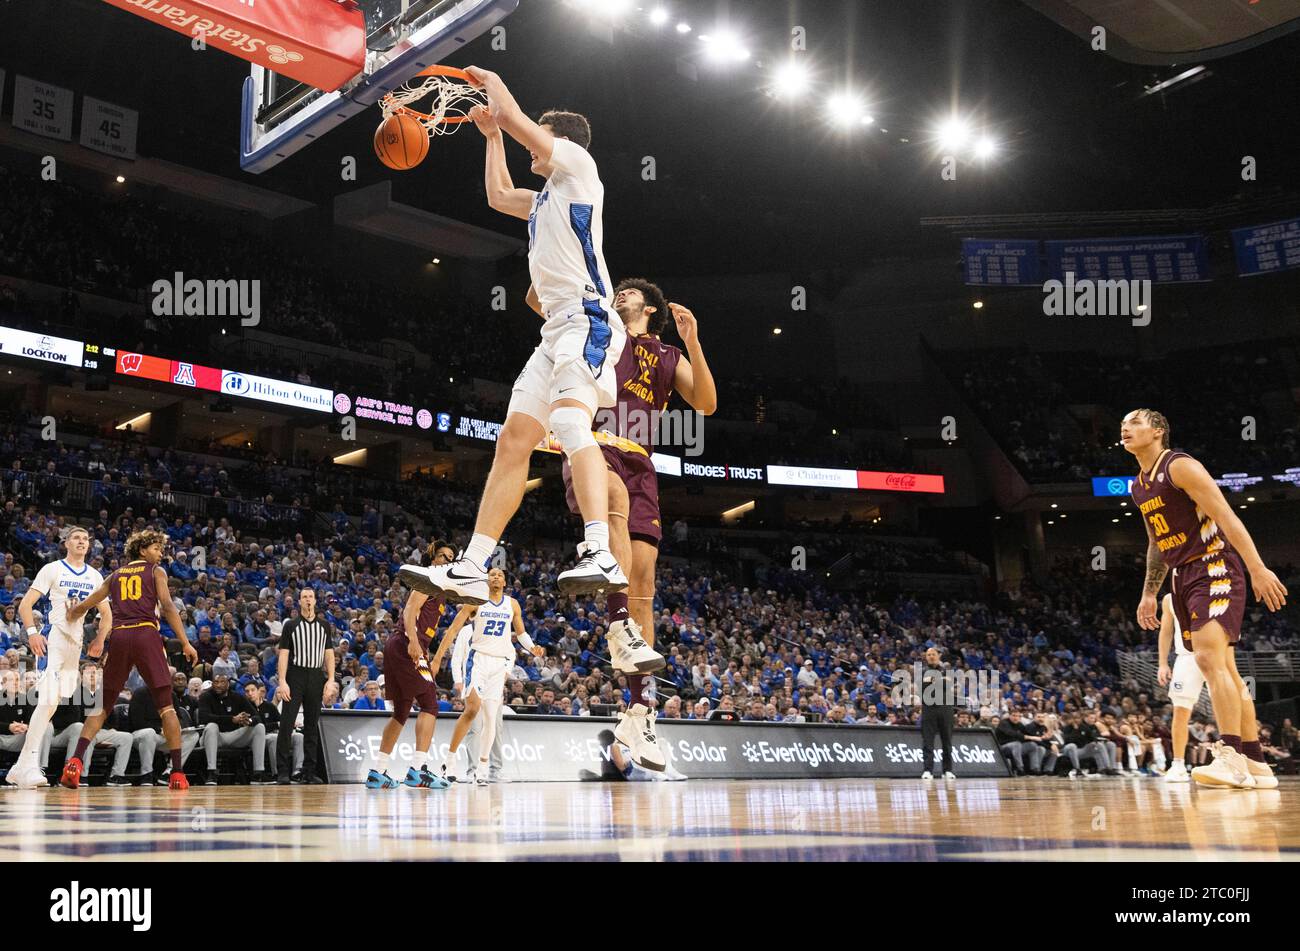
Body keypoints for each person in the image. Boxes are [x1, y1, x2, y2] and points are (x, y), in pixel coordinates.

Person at [399, 68, 629, 606]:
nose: (533, 150)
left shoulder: (578, 166)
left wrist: (491, 80)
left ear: (561, 140)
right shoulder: (546, 195)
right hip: (555, 331)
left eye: (538, 139)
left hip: (588, 319)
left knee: (572, 423)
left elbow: (514, 115)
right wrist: (493, 138)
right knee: (513, 441)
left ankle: (599, 549)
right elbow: (499, 196)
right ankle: (473, 567)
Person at [546, 279, 716, 772]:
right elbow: (540, 303)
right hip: (592, 441)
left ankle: (639, 715)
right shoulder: (598, 328)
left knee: (645, 581)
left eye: (629, 292)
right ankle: (617, 624)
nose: (620, 294)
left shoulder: (665, 354)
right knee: (612, 499)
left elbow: (705, 404)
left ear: (651, 307)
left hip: (640, 458)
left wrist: (694, 342)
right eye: (616, 290)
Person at [1123, 409, 1285, 789]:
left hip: (1214, 565)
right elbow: (1156, 542)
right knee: (1224, 669)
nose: (1125, 430)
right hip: (1182, 577)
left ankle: (1230, 757)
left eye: (1134, 423)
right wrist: (1149, 592)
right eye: (1122, 426)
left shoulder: (1179, 466)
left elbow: (1227, 517)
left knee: (1209, 659)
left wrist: (1257, 568)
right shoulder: (1138, 485)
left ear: (1158, 430)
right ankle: (1255, 761)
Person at [61, 529, 198, 790]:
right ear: (142, 550)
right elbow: (168, 606)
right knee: (167, 707)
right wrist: (185, 642)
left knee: (103, 705)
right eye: (156, 548)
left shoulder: (115, 575)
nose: (160, 553)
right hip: (146, 633)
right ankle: (178, 773)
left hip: (120, 636)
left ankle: (76, 761)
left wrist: (75, 611)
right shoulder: (156, 571)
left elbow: (91, 601)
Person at [6, 527, 107, 789]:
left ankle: (21, 767)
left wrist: (99, 639)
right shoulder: (52, 569)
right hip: (54, 639)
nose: (82, 542)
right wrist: (31, 633)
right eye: (76, 538)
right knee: (49, 699)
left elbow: (107, 613)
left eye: (86, 539)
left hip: (76, 644)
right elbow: (25, 605)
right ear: (66, 543)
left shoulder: (95, 576)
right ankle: (28, 764)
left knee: (52, 704)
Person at [436, 568, 542, 786]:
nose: (496, 577)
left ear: (504, 581)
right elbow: (454, 629)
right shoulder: (476, 600)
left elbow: (520, 634)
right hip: (478, 660)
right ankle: (450, 759)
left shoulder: (512, 604)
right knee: (472, 709)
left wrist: (533, 648)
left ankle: (482, 769)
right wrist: (437, 658)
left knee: (492, 718)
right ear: (487, 580)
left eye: (500, 575)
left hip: (498, 662)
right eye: (492, 574)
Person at [365, 542, 455, 791]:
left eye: (450, 557)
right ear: (432, 558)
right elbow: (409, 611)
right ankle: (418, 770)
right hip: (407, 643)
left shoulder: (442, 588)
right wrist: (414, 642)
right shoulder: (427, 580)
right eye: (442, 556)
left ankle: (378, 771)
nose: (446, 560)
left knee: (401, 711)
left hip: (400, 645)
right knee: (430, 703)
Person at [274, 587, 334, 785]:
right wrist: (282, 681)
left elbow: (329, 653)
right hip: (295, 674)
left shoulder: (324, 626)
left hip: (316, 675)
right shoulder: (291, 625)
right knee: (287, 722)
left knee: (311, 724)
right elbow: (283, 654)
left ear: (315, 600)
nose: (308, 600)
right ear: (299, 602)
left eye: (311, 596)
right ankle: (282, 771)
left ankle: (309, 771)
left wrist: (331, 679)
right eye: (304, 597)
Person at [196, 674, 270, 785]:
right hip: (214, 737)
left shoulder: (238, 697)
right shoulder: (205, 697)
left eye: (222, 682)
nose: (218, 685)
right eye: (216, 682)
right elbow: (203, 717)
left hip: (234, 736)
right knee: (212, 726)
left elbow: (257, 717)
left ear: (228, 684)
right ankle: (212, 773)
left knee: (259, 727)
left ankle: (258, 773)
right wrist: (232, 719)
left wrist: (248, 721)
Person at [128, 678, 200, 786]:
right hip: (141, 735)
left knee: (193, 736)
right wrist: (160, 729)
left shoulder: (171, 695)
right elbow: (136, 721)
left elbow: (179, 718)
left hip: (164, 736)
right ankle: (146, 774)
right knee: (149, 733)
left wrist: (178, 728)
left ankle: (170, 771)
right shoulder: (140, 693)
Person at [916, 646, 956, 780]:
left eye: (933, 654)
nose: (931, 656)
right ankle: (928, 770)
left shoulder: (947, 670)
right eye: (928, 655)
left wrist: (933, 680)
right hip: (929, 709)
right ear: (926, 657)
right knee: (928, 741)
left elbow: (949, 685)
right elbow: (922, 686)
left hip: (946, 709)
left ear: (939, 655)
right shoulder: (921, 671)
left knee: (947, 741)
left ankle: (947, 770)